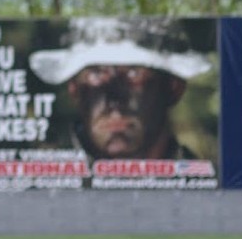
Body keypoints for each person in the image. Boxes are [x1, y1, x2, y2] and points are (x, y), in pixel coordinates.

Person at [29, 17, 211, 160]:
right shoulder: (36, 183)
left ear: (174, 88)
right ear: (74, 89)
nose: (114, 100)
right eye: (97, 74)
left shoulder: (208, 183)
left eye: (134, 73)